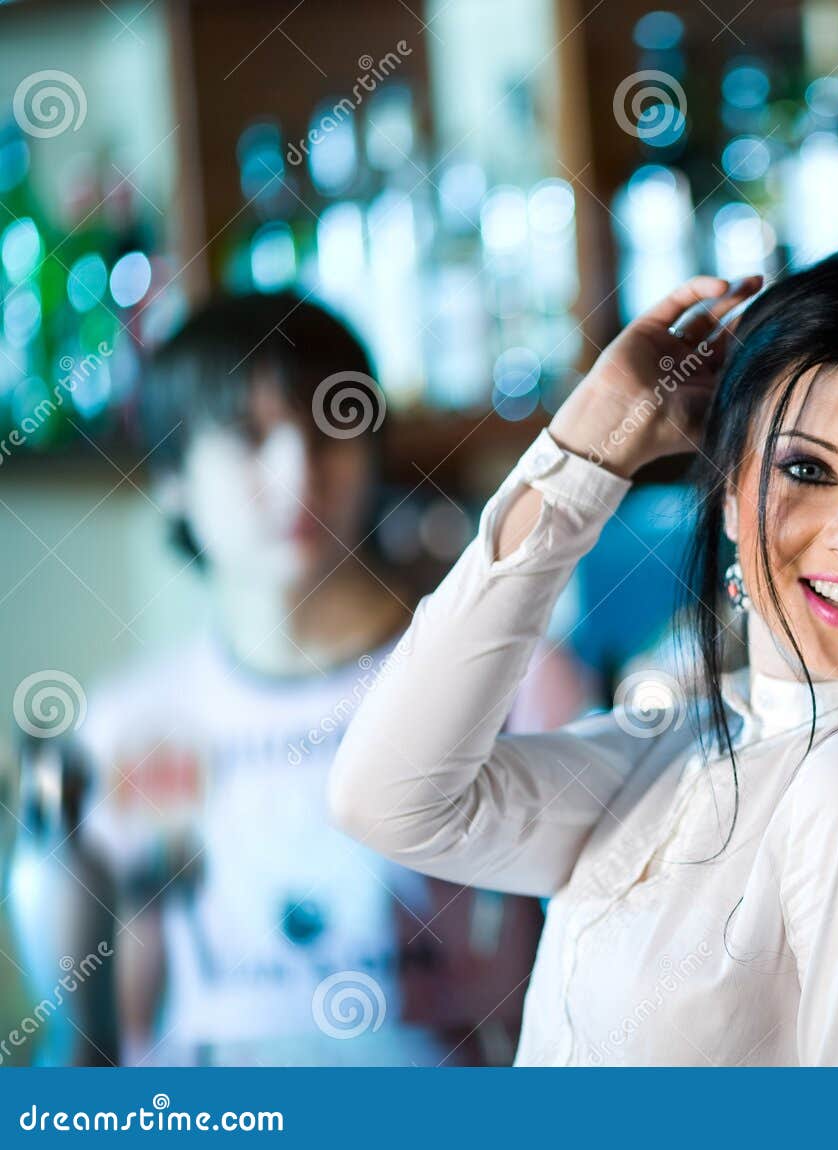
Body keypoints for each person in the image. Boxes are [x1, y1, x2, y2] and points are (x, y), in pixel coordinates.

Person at [329, 247, 838, 1065]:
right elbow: (389, 800)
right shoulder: (679, 745)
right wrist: (591, 438)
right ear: (728, 490)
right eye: (807, 469)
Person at [68, 294, 554, 1065]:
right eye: (247, 436)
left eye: (331, 429)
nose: (296, 472)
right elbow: (113, 1028)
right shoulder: (137, 720)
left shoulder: (513, 679)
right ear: (172, 476)